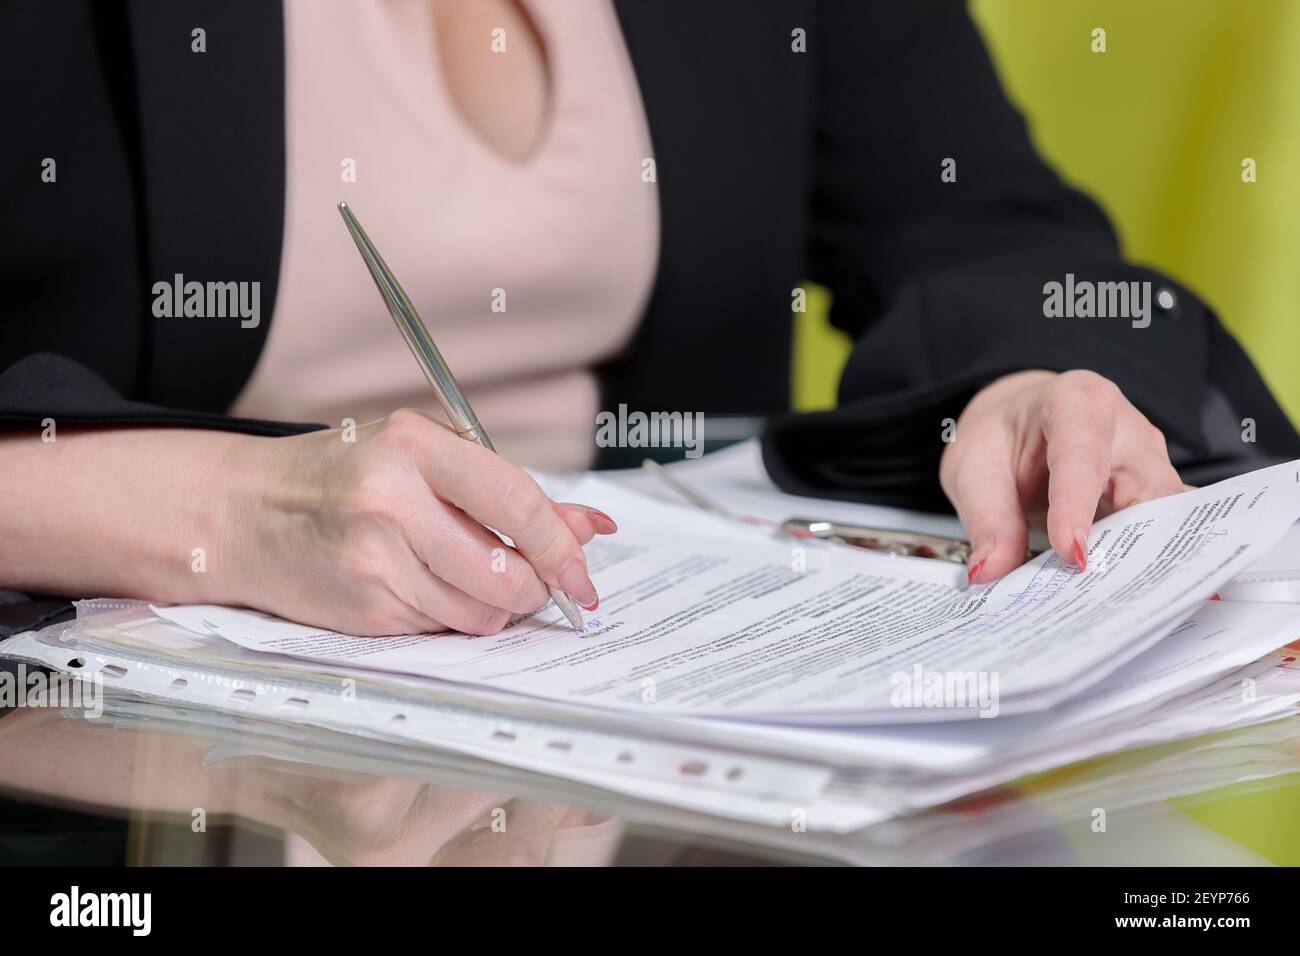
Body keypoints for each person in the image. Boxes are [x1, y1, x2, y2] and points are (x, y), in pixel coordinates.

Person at [1, 1, 1296, 638]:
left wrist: (1033, 381)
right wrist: (227, 511)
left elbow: (982, 225)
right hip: (147, 736)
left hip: (627, 697)